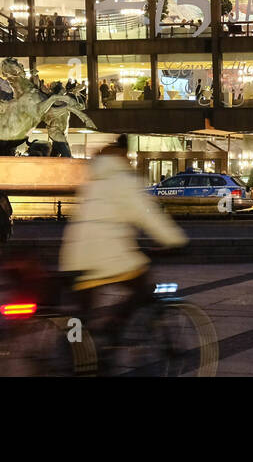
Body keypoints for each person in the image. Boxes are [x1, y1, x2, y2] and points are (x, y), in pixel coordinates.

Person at [60, 136, 188, 351]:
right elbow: (149, 217)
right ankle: (110, 332)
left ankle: (73, 355)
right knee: (143, 287)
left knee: (83, 316)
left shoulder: (95, 179)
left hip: (76, 255)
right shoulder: (124, 179)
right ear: (124, 155)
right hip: (108, 254)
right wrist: (176, 240)